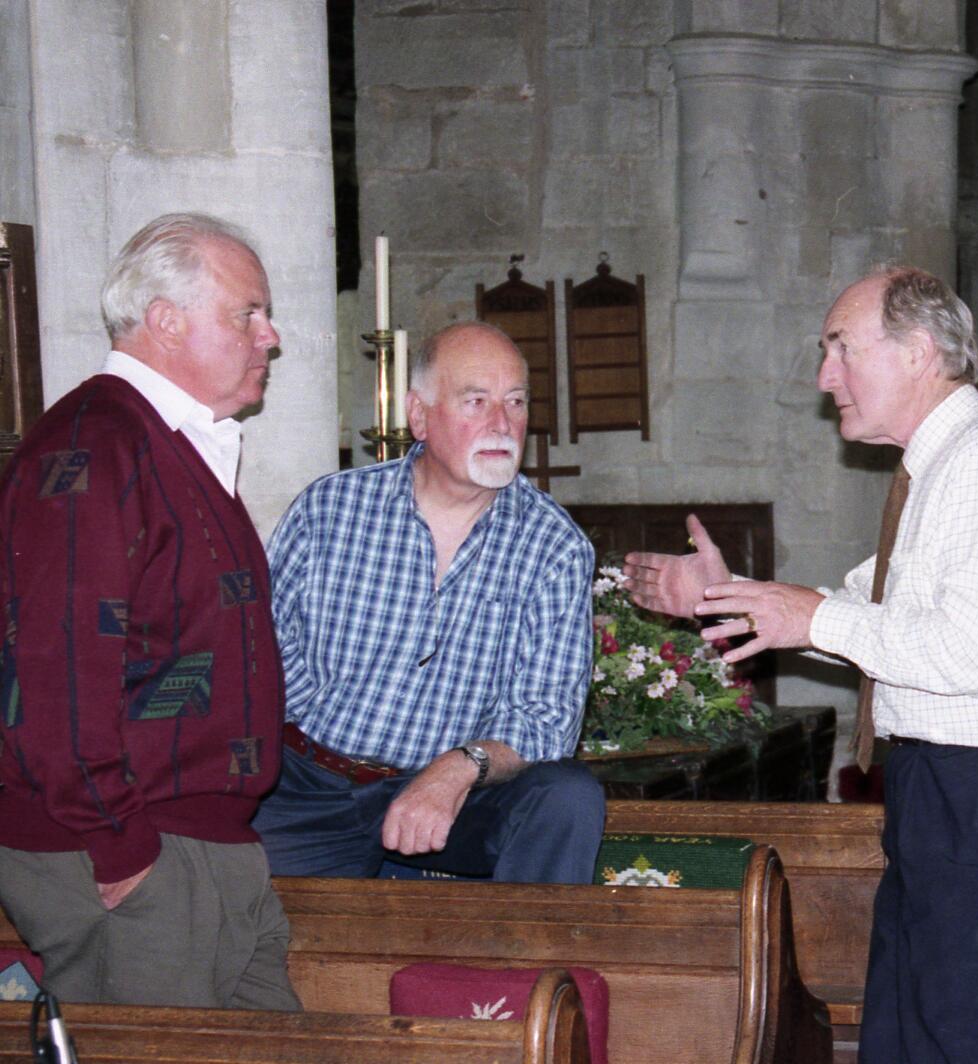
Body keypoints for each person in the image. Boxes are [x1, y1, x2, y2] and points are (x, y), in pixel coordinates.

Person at [624, 266, 978, 1063]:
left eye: (841, 349)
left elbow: (974, 652)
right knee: (904, 1036)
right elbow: (872, 615)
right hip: (950, 790)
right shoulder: (942, 467)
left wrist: (810, 614)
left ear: (919, 351)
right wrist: (724, 595)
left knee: (966, 1043)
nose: (824, 377)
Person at [0, 212, 300, 1009]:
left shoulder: (163, 440)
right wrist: (119, 847)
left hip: (201, 840)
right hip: (135, 847)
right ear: (165, 321)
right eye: (248, 313)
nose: (270, 335)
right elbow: (57, 668)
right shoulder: (97, 445)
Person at [253, 321, 602, 884]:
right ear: (419, 415)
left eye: (515, 402)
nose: (501, 423)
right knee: (219, 915)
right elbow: (260, 662)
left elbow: (547, 718)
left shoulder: (554, 546)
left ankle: (525, 968)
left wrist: (459, 768)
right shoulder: (331, 511)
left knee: (566, 797)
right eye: (476, 401)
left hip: (454, 795)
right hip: (311, 783)